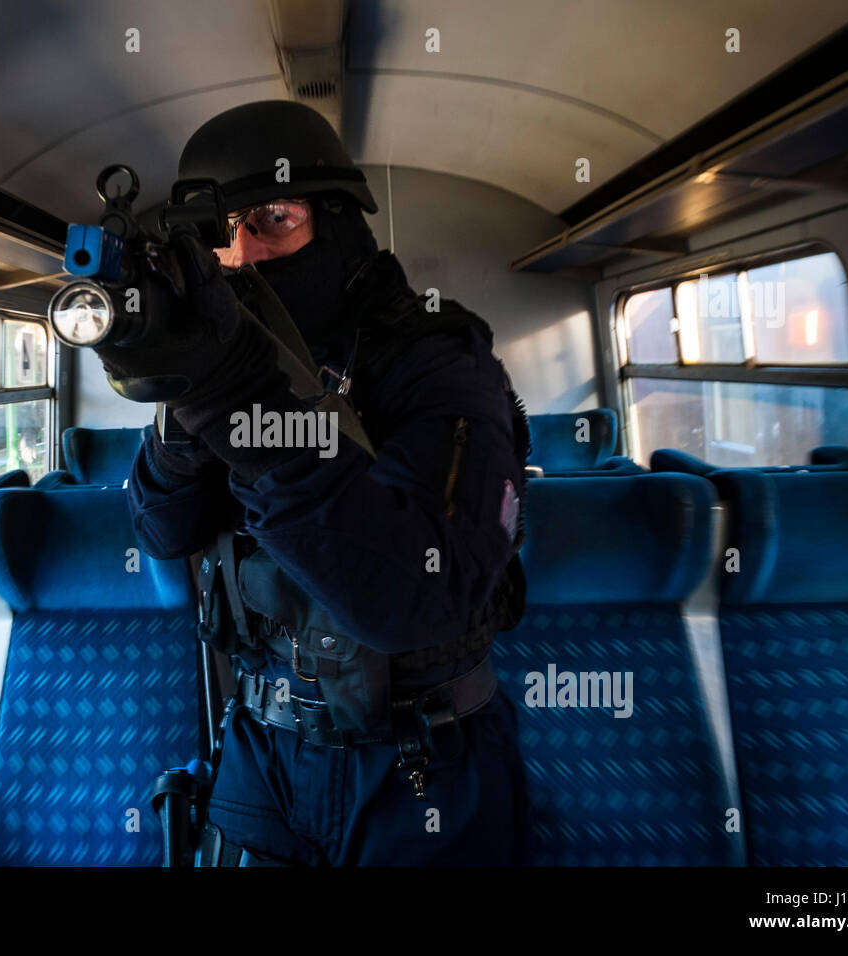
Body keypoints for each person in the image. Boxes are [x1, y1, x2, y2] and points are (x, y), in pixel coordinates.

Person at [97, 100, 530, 865]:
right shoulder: (221, 368)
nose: (245, 257)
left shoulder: (440, 364)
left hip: (422, 760)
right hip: (261, 749)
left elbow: (414, 602)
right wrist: (186, 399)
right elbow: (162, 531)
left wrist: (237, 399)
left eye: (273, 218)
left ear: (337, 225)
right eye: (218, 237)